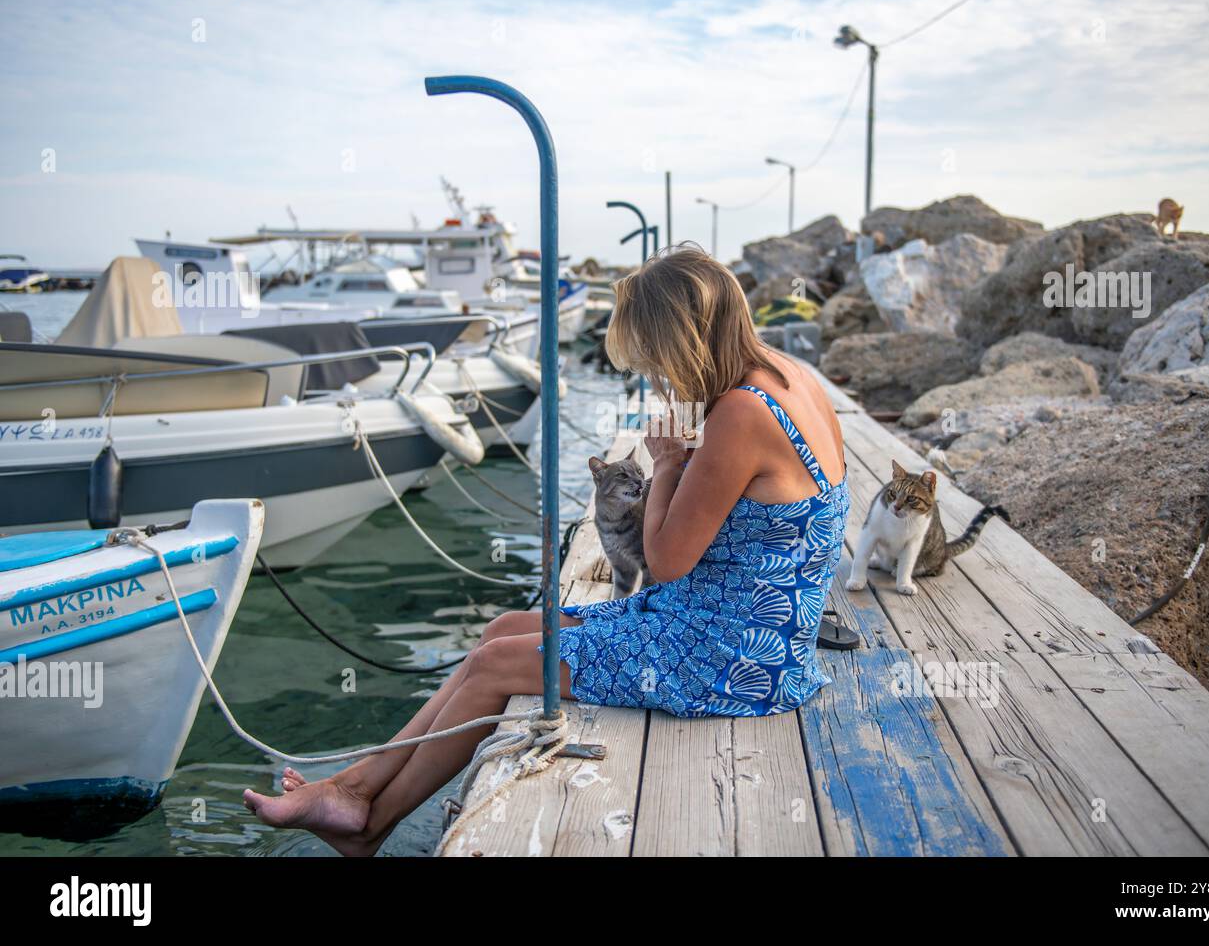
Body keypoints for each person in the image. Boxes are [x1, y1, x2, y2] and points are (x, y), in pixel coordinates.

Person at [243, 244, 850, 855]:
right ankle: (355, 785)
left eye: (655, 361)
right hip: (739, 623)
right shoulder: (785, 375)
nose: (658, 380)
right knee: (504, 628)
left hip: (734, 658)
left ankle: (369, 825)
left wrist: (667, 464)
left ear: (680, 339)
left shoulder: (741, 414)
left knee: (493, 665)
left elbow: (665, 565)